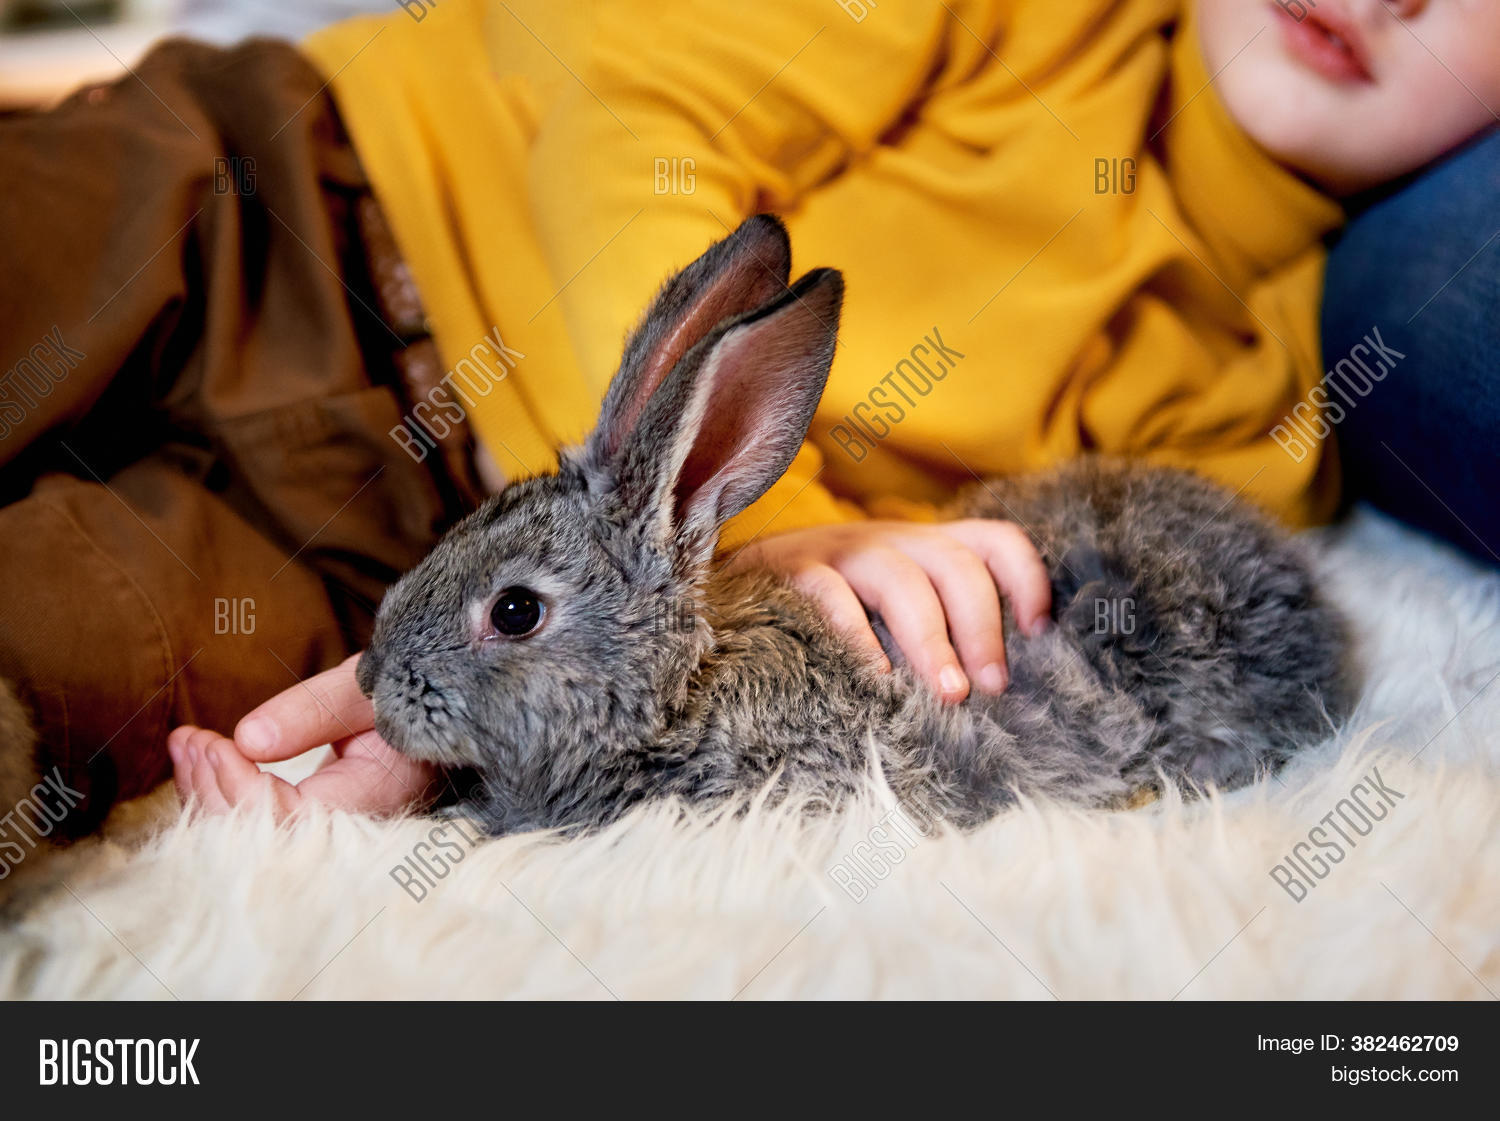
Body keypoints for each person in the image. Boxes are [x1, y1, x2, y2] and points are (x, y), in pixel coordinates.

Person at [2, 0, 1495, 831]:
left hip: (405, 550)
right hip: (292, 192)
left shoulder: (1260, 418)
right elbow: (626, 118)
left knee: (70, 652)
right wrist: (762, 529)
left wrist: (469, 755)